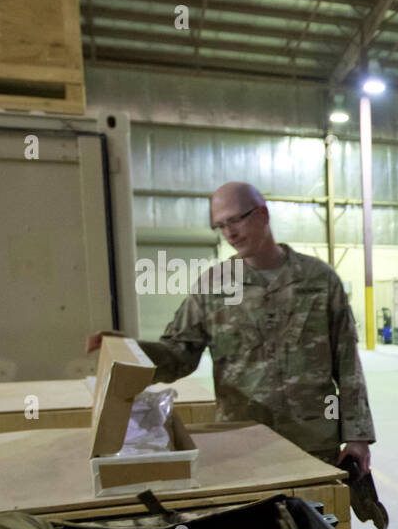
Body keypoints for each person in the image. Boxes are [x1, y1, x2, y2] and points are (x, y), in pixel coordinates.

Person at [87, 181, 375, 473]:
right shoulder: (214, 286)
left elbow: (347, 363)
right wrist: (129, 350)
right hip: (242, 440)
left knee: (318, 517)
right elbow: (178, 354)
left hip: (313, 441)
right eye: (220, 226)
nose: (229, 233)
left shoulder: (319, 280)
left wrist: (357, 436)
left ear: (262, 214)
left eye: (235, 220)